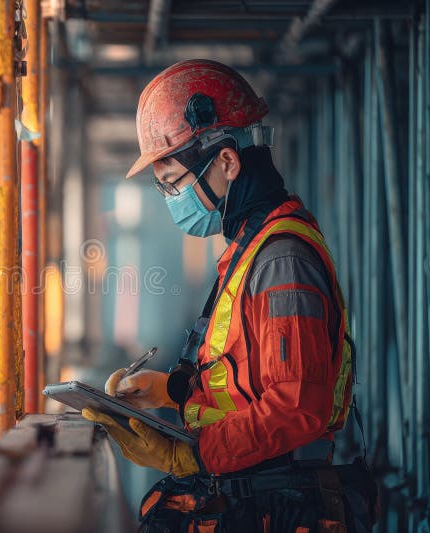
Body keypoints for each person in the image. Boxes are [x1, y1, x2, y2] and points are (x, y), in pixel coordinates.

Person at [81, 60, 377, 532]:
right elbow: (246, 381)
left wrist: (194, 454)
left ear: (226, 161)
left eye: (174, 183)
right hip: (260, 498)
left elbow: (298, 407)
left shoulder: (281, 261)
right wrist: (171, 393)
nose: (172, 199)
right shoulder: (250, 248)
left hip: (282, 508)